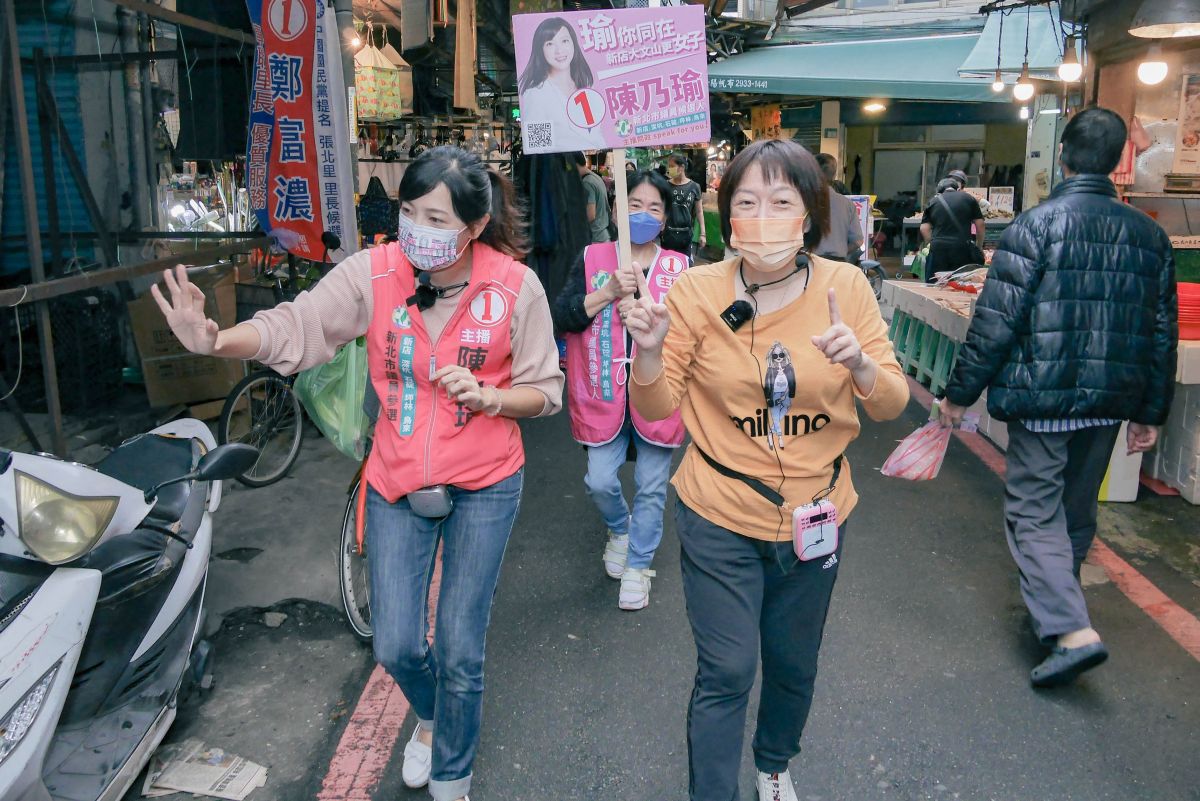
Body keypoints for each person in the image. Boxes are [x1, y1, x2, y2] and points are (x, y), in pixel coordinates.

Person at [152, 146, 564, 801]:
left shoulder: (517, 287)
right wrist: (219, 341)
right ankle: (429, 716)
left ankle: (452, 764)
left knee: (460, 644)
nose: (415, 228)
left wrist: (493, 397)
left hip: (487, 481)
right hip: (396, 479)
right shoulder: (373, 273)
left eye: (435, 217)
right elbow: (301, 326)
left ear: (474, 225)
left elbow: (547, 390)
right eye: (409, 211)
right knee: (396, 642)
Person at [622, 139, 909, 801]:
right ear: (726, 216)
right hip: (719, 510)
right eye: (747, 202)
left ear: (809, 214)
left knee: (792, 663)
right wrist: (650, 354)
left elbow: (891, 401)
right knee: (726, 668)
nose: (764, 216)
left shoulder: (846, 287)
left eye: (781, 201)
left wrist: (859, 364)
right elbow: (658, 409)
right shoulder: (697, 290)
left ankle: (775, 760)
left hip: (818, 513)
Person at [938, 107, 1178, 689]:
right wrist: (1151, 411)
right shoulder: (1149, 233)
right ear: (1123, 160)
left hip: (1043, 398)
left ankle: (1071, 630)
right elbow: (1161, 330)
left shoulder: (1035, 226)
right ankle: (1057, 614)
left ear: (1063, 155)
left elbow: (995, 321)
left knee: (1032, 511)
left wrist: (958, 394)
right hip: (1111, 400)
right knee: (1073, 511)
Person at [552, 170, 689, 610]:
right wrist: (607, 293)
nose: (643, 214)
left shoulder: (681, 268)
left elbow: (699, 333)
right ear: (615, 209)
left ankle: (638, 564)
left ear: (665, 219)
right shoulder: (592, 259)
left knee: (652, 485)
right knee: (599, 480)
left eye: (653, 208)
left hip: (658, 395)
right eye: (633, 205)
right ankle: (620, 527)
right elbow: (564, 316)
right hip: (602, 394)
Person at [518, 17, 605, 151]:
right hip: (561, 169)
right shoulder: (536, 94)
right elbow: (536, 148)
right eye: (550, 44)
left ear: (573, 44)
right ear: (540, 50)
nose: (559, 50)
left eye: (564, 41)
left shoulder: (585, 86)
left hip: (591, 166)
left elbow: (595, 136)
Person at [919, 178, 985, 283]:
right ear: (958, 189)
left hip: (939, 248)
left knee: (935, 284)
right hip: (962, 247)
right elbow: (980, 225)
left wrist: (931, 243)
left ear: (940, 191)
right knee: (961, 283)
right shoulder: (969, 199)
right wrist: (979, 246)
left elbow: (924, 228)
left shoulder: (933, 201)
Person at [814, 154, 864, 263]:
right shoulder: (848, 204)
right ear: (834, 174)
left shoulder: (804, 202)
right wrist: (841, 251)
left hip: (811, 264)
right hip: (839, 264)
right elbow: (858, 241)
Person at [663, 152, 705, 260]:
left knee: (684, 266)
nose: (669, 169)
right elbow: (661, 208)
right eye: (669, 166)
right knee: (667, 266)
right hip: (668, 234)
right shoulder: (666, 185)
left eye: (672, 166)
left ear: (681, 168)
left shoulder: (694, 187)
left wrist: (703, 234)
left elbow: (699, 212)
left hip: (685, 235)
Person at [574, 151, 611, 244]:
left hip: (596, 237)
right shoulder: (596, 177)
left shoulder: (587, 182)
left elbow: (591, 215)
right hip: (603, 234)